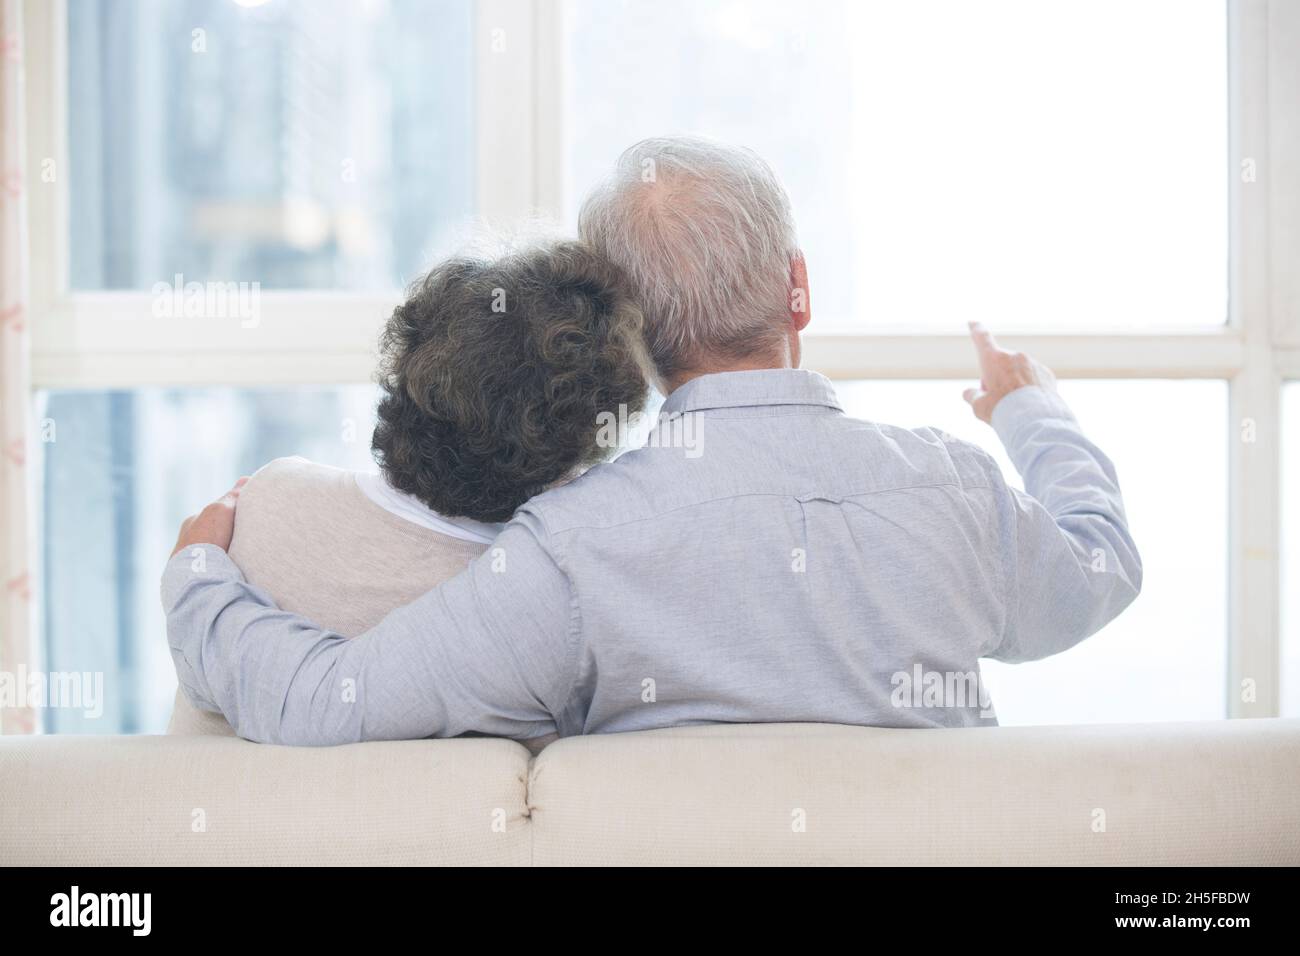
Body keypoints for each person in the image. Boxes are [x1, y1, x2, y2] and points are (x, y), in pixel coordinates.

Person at [163, 136, 1141, 746]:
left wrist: (202, 578)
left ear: (624, 331)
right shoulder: (957, 492)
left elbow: (323, 703)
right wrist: (1033, 414)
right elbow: (1102, 569)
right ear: (797, 286)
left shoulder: (566, 549)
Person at [166, 239, 648, 750]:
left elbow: (204, 679)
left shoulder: (265, 501)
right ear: (574, 456)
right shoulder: (540, 615)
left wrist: (191, 568)